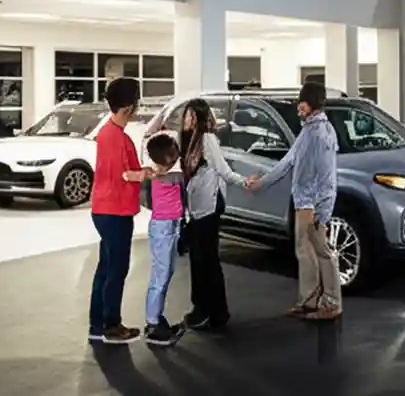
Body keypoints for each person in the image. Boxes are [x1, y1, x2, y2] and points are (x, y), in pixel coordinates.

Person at [246, 82, 342, 321]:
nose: (299, 107)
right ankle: (309, 301)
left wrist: (323, 212)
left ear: (314, 104)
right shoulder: (308, 131)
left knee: (322, 252)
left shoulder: (321, 133)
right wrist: (261, 184)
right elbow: (287, 162)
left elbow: (327, 176)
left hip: (314, 204)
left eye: (303, 102)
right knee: (305, 252)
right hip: (303, 201)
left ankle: (331, 304)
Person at [89, 77, 155, 345]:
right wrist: (148, 174)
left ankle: (98, 325)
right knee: (116, 270)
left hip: (106, 209)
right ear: (129, 106)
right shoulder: (114, 136)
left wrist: (141, 172)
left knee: (106, 268)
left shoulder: (110, 133)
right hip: (114, 210)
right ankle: (111, 325)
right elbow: (124, 174)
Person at [179, 98, 244, 331]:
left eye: (191, 115)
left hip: (208, 207)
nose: (187, 119)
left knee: (207, 260)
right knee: (199, 260)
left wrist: (244, 182)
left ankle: (214, 311)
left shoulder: (206, 139)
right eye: (186, 115)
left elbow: (224, 171)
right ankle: (204, 309)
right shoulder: (188, 141)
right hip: (196, 209)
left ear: (199, 118)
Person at [142, 132, 186, 346]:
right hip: (162, 228)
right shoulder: (162, 177)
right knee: (160, 276)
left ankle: (157, 318)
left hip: (169, 226)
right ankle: (152, 323)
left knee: (165, 273)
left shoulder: (164, 174)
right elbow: (179, 177)